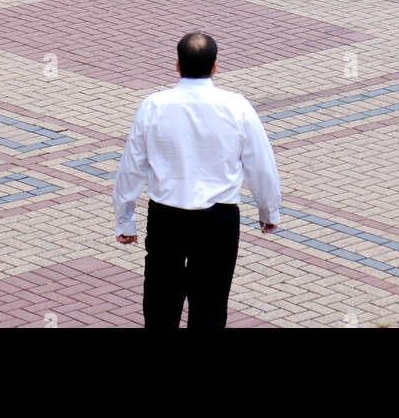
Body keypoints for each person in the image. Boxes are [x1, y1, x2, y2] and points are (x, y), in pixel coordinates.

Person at [113, 30, 280, 329]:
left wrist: (125, 219)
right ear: (215, 66)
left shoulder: (154, 105)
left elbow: (132, 165)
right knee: (211, 304)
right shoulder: (237, 106)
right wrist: (268, 211)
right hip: (219, 221)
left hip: (166, 218)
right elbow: (261, 164)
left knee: (161, 302)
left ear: (177, 64)